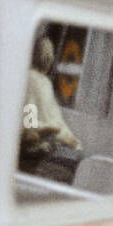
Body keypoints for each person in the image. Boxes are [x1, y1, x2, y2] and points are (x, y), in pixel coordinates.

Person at [20, 37, 82, 179]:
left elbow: (56, 120)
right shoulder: (32, 80)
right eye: (48, 54)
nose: (51, 58)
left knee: (82, 158)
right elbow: (30, 126)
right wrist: (50, 131)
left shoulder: (44, 82)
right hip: (36, 150)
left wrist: (73, 141)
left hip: (48, 142)